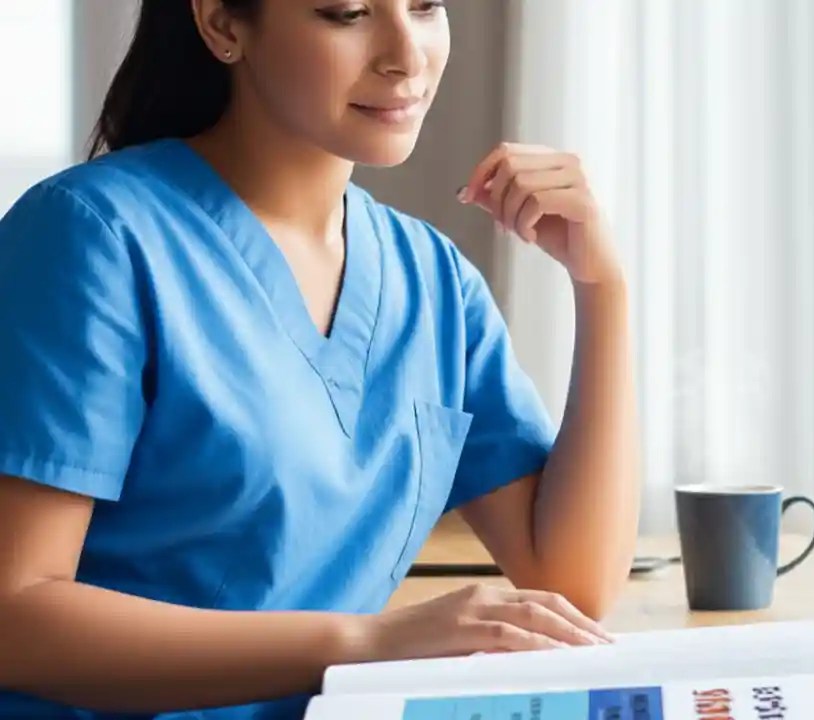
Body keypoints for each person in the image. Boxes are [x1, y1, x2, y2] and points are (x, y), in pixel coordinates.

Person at [0, 0, 639, 717]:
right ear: (221, 24)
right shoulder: (92, 238)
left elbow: (569, 588)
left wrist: (601, 285)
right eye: (347, 13)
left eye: (426, 6)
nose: (406, 54)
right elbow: (13, 617)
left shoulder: (433, 279)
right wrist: (364, 642)